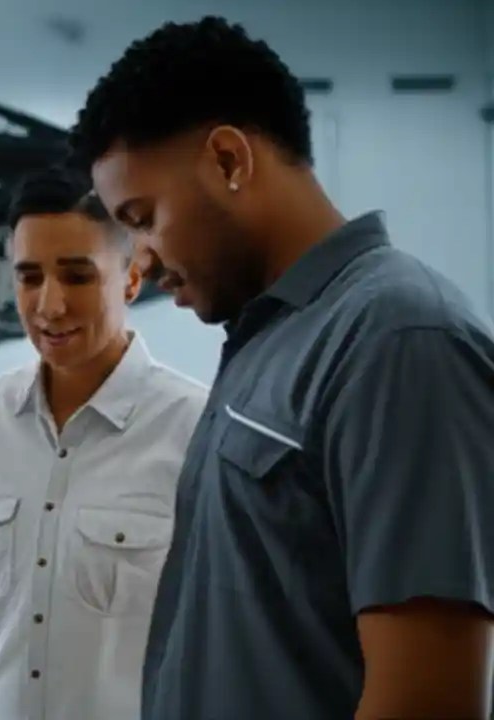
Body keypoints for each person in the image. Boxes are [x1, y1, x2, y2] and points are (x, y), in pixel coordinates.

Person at [67, 15, 494, 720]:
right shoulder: (269, 340)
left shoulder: (398, 340)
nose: (138, 259)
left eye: (143, 217)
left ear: (230, 161)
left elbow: (428, 698)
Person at [0, 165, 209, 720]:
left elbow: (216, 629)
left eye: (78, 276)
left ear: (132, 277)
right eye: (29, 277)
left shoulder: (193, 426)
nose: (50, 305)